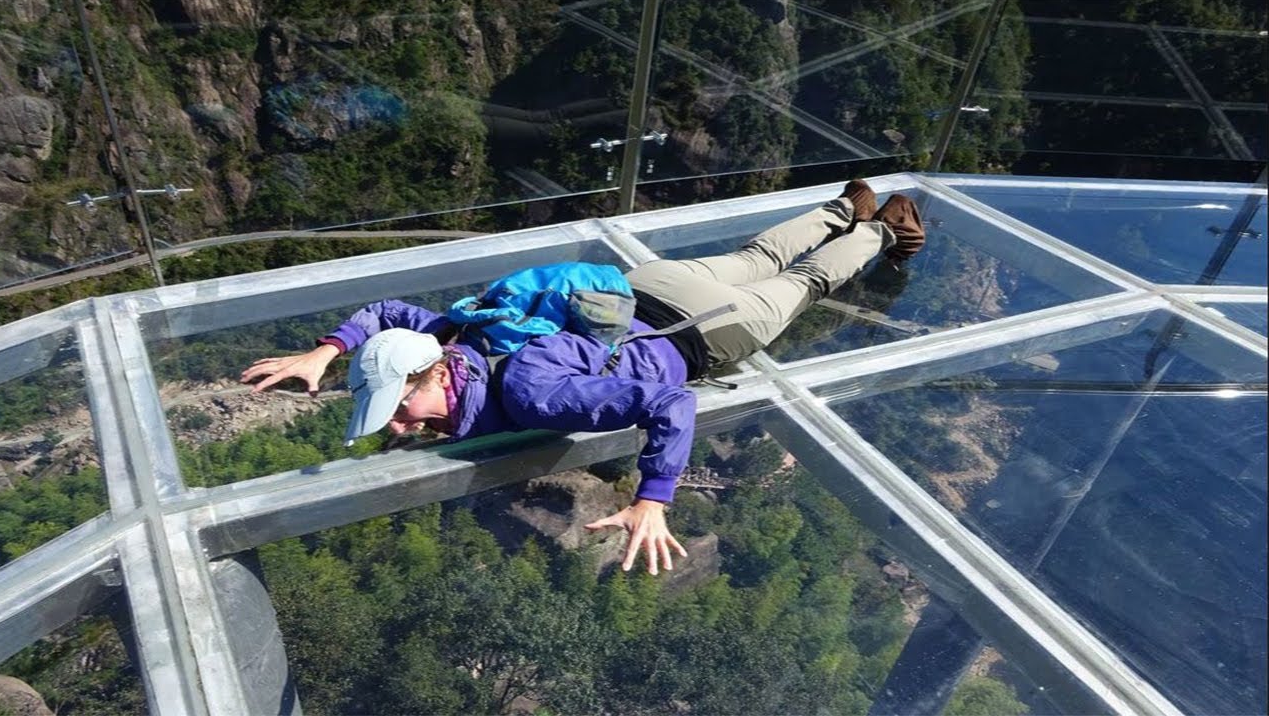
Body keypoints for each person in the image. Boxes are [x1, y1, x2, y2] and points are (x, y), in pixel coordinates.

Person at [240, 180, 925, 574]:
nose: (400, 425)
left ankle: (884, 230)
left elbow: (670, 400)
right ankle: (843, 208)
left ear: (433, 374)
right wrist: (328, 351)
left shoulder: (527, 390)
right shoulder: (465, 336)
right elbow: (391, 312)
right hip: (644, 284)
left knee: (803, 283)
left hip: (705, 328)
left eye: (400, 404)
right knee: (757, 254)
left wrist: (654, 498)